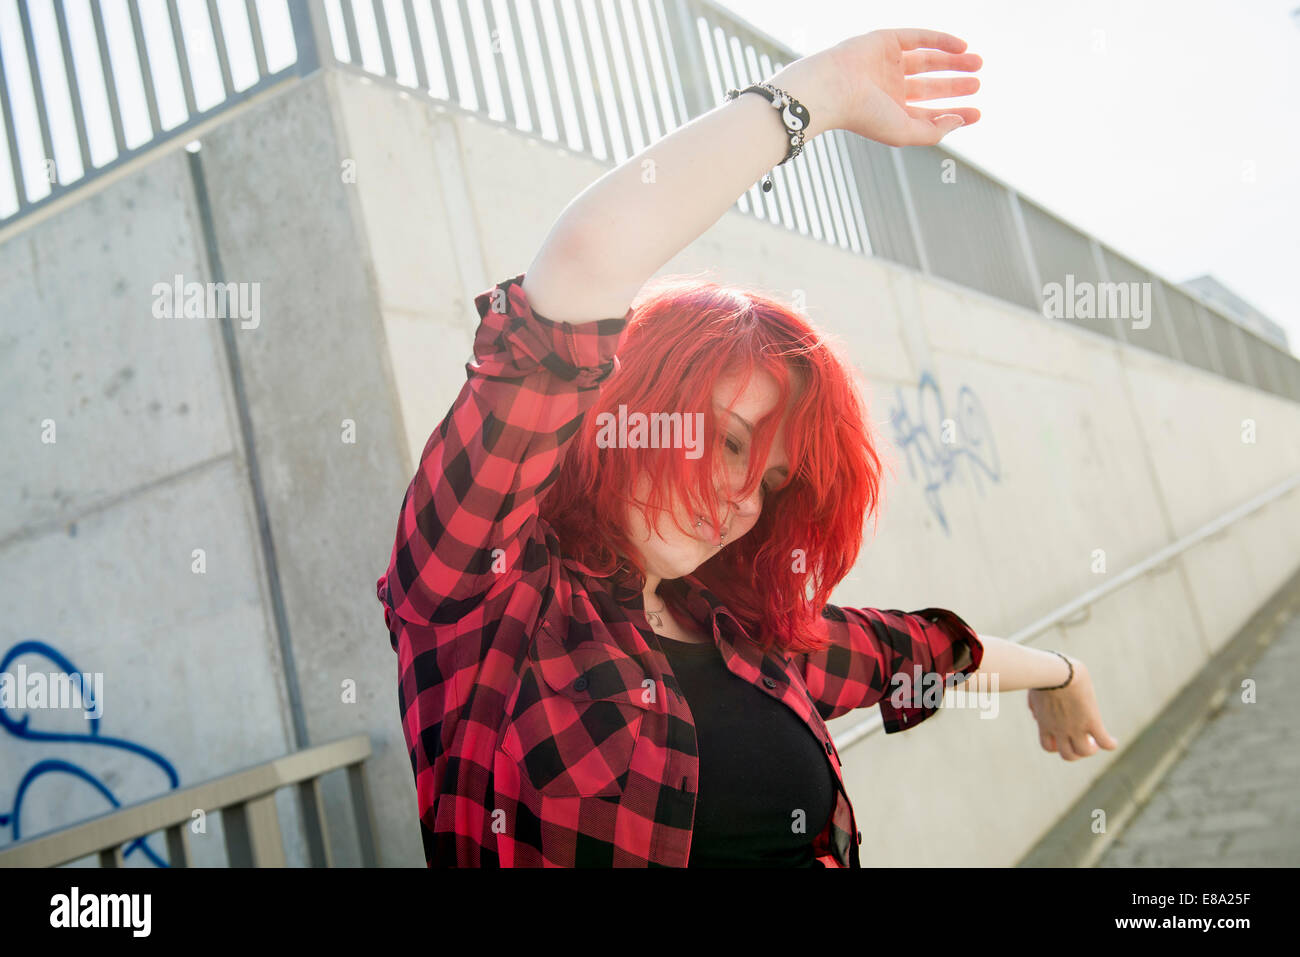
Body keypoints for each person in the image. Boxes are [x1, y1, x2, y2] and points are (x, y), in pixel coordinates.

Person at [376, 27, 1117, 868]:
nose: (743, 498)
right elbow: (580, 272)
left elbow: (918, 650)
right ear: (637, 405)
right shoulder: (485, 590)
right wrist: (818, 95)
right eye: (728, 441)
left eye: (770, 478)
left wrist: (1065, 674)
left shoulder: (745, 633)